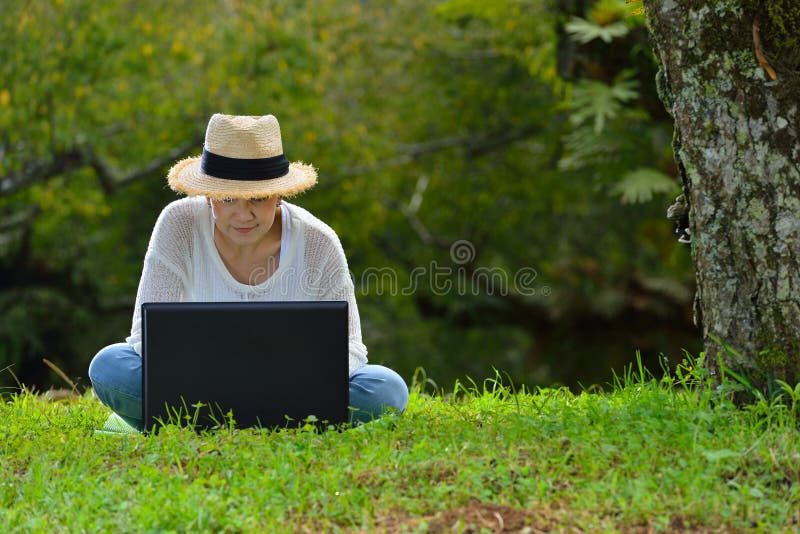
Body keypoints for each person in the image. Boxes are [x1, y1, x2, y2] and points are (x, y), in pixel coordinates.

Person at [88, 114, 409, 431]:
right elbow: (144, 336)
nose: (243, 214)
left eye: (257, 198)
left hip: (291, 393)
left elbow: (351, 347)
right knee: (110, 367)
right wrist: (218, 380)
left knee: (385, 388)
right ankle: (278, 427)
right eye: (228, 198)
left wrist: (280, 384)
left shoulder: (319, 241)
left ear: (279, 195)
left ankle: (201, 425)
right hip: (196, 390)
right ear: (209, 195)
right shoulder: (178, 224)